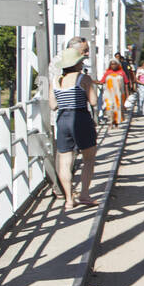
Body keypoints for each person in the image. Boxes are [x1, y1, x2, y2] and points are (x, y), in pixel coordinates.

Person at [49, 46, 97, 209]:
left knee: (64, 160)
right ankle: (84, 194)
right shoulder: (83, 78)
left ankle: (69, 199)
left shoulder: (55, 80)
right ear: (77, 63)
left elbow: (53, 105)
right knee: (88, 158)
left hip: (62, 119)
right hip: (80, 118)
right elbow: (94, 102)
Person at [101, 58, 127, 126]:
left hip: (119, 94)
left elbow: (126, 83)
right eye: (112, 64)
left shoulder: (122, 73)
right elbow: (102, 82)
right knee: (109, 107)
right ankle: (110, 121)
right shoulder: (107, 73)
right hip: (109, 94)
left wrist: (127, 95)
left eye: (115, 64)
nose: (113, 66)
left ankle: (116, 122)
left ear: (118, 64)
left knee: (118, 107)